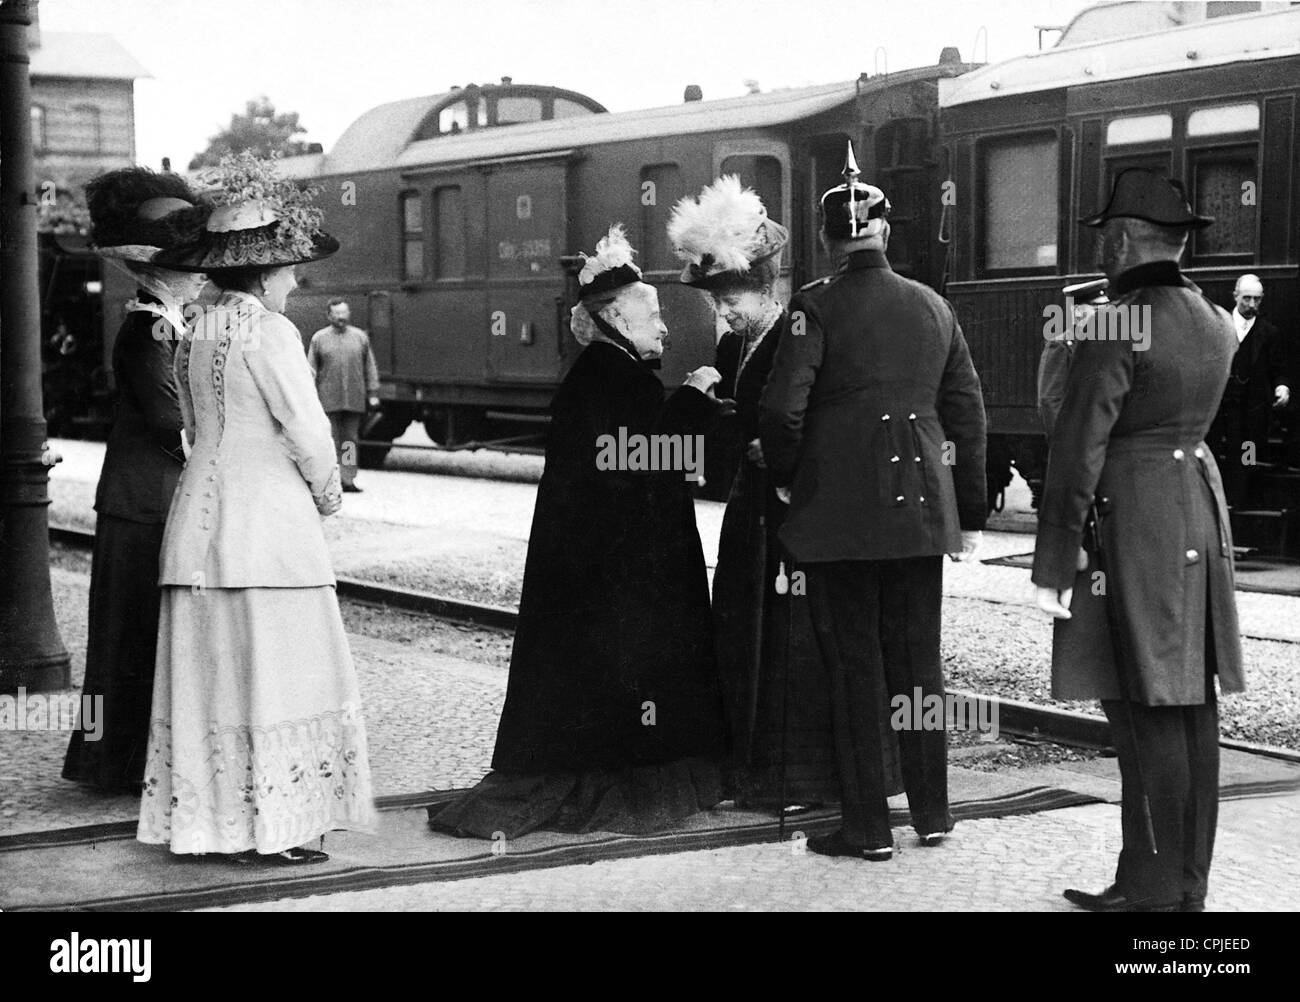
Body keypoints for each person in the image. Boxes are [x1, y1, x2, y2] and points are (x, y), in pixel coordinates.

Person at [429, 225, 730, 839]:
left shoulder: (602, 372)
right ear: (615, 315)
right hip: (615, 575)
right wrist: (696, 399)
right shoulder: (615, 377)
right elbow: (645, 462)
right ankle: (619, 780)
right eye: (653, 314)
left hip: (594, 568)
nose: (666, 327)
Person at [137, 154, 375, 864]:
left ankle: (215, 825)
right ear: (267, 272)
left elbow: (192, 427)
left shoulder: (196, 329)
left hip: (197, 531)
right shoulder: (269, 332)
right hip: (268, 538)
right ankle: (277, 830)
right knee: (278, 681)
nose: (295, 281)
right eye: (290, 270)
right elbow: (305, 428)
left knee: (214, 685)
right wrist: (328, 494)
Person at [758, 146, 987, 861]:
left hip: (840, 517)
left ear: (830, 240)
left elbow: (780, 411)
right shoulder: (935, 307)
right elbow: (968, 416)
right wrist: (969, 513)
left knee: (856, 665)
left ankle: (866, 829)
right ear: (885, 233)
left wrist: (789, 479)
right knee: (920, 664)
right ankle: (934, 814)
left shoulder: (812, 308)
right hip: (921, 512)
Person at [1032, 168, 1246, 912]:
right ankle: (1181, 884)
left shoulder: (1117, 321)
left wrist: (1056, 553)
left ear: (1123, 241)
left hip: (1132, 522)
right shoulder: (1215, 319)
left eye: (1104, 239)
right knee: (1191, 709)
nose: (1100, 253)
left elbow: (1077, 441)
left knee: (1140, 706)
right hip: (1194, 508)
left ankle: (1150, 896)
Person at [667, 175, 902, 811]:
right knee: (746, 627)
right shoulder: (731, 341)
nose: (724, 313)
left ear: (765, 288)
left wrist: (771, 449)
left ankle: (799, 777)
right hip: (751, 506)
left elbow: (813, 415)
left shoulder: (797, 331)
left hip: (792, 505)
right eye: (717, 303)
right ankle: (750, 766)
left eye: (733, 299)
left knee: (794, 636)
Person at [62, 168, 210, 793]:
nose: (203, 274)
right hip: (142, 502)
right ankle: (113, 764)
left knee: (135, 634)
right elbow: (169, 422)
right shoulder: (149, 329)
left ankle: (120, 761)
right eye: (193, 266)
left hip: (146, 499)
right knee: (130, 635)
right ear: (165, 272)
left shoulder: (162, 325)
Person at [1208, 273, 1291, 505]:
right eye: (1246, 298)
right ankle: (1217, 503)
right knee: (1215, 453)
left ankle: (1242, 502)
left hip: (1252, 412)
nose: (1251, 304)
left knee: (1247, 456)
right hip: (1220, 409)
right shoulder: (1218, 325)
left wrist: (1282, 387)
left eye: (1257, 299)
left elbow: (1279, 369)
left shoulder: (1269, 333)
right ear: (1235, 296)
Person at [307, 299, 380, 493]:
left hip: (354, 399)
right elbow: (310, 370)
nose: (341, 317)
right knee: (329, 441)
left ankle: (348, 479)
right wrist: (309, 398)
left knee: (350, 441)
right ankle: (329, 480)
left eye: (344, 313)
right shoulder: (319, 339)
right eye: (337, 313)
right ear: (329, 316)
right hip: (327, 400)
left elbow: (370, 367)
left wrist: (373, 392)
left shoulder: (360, 338)